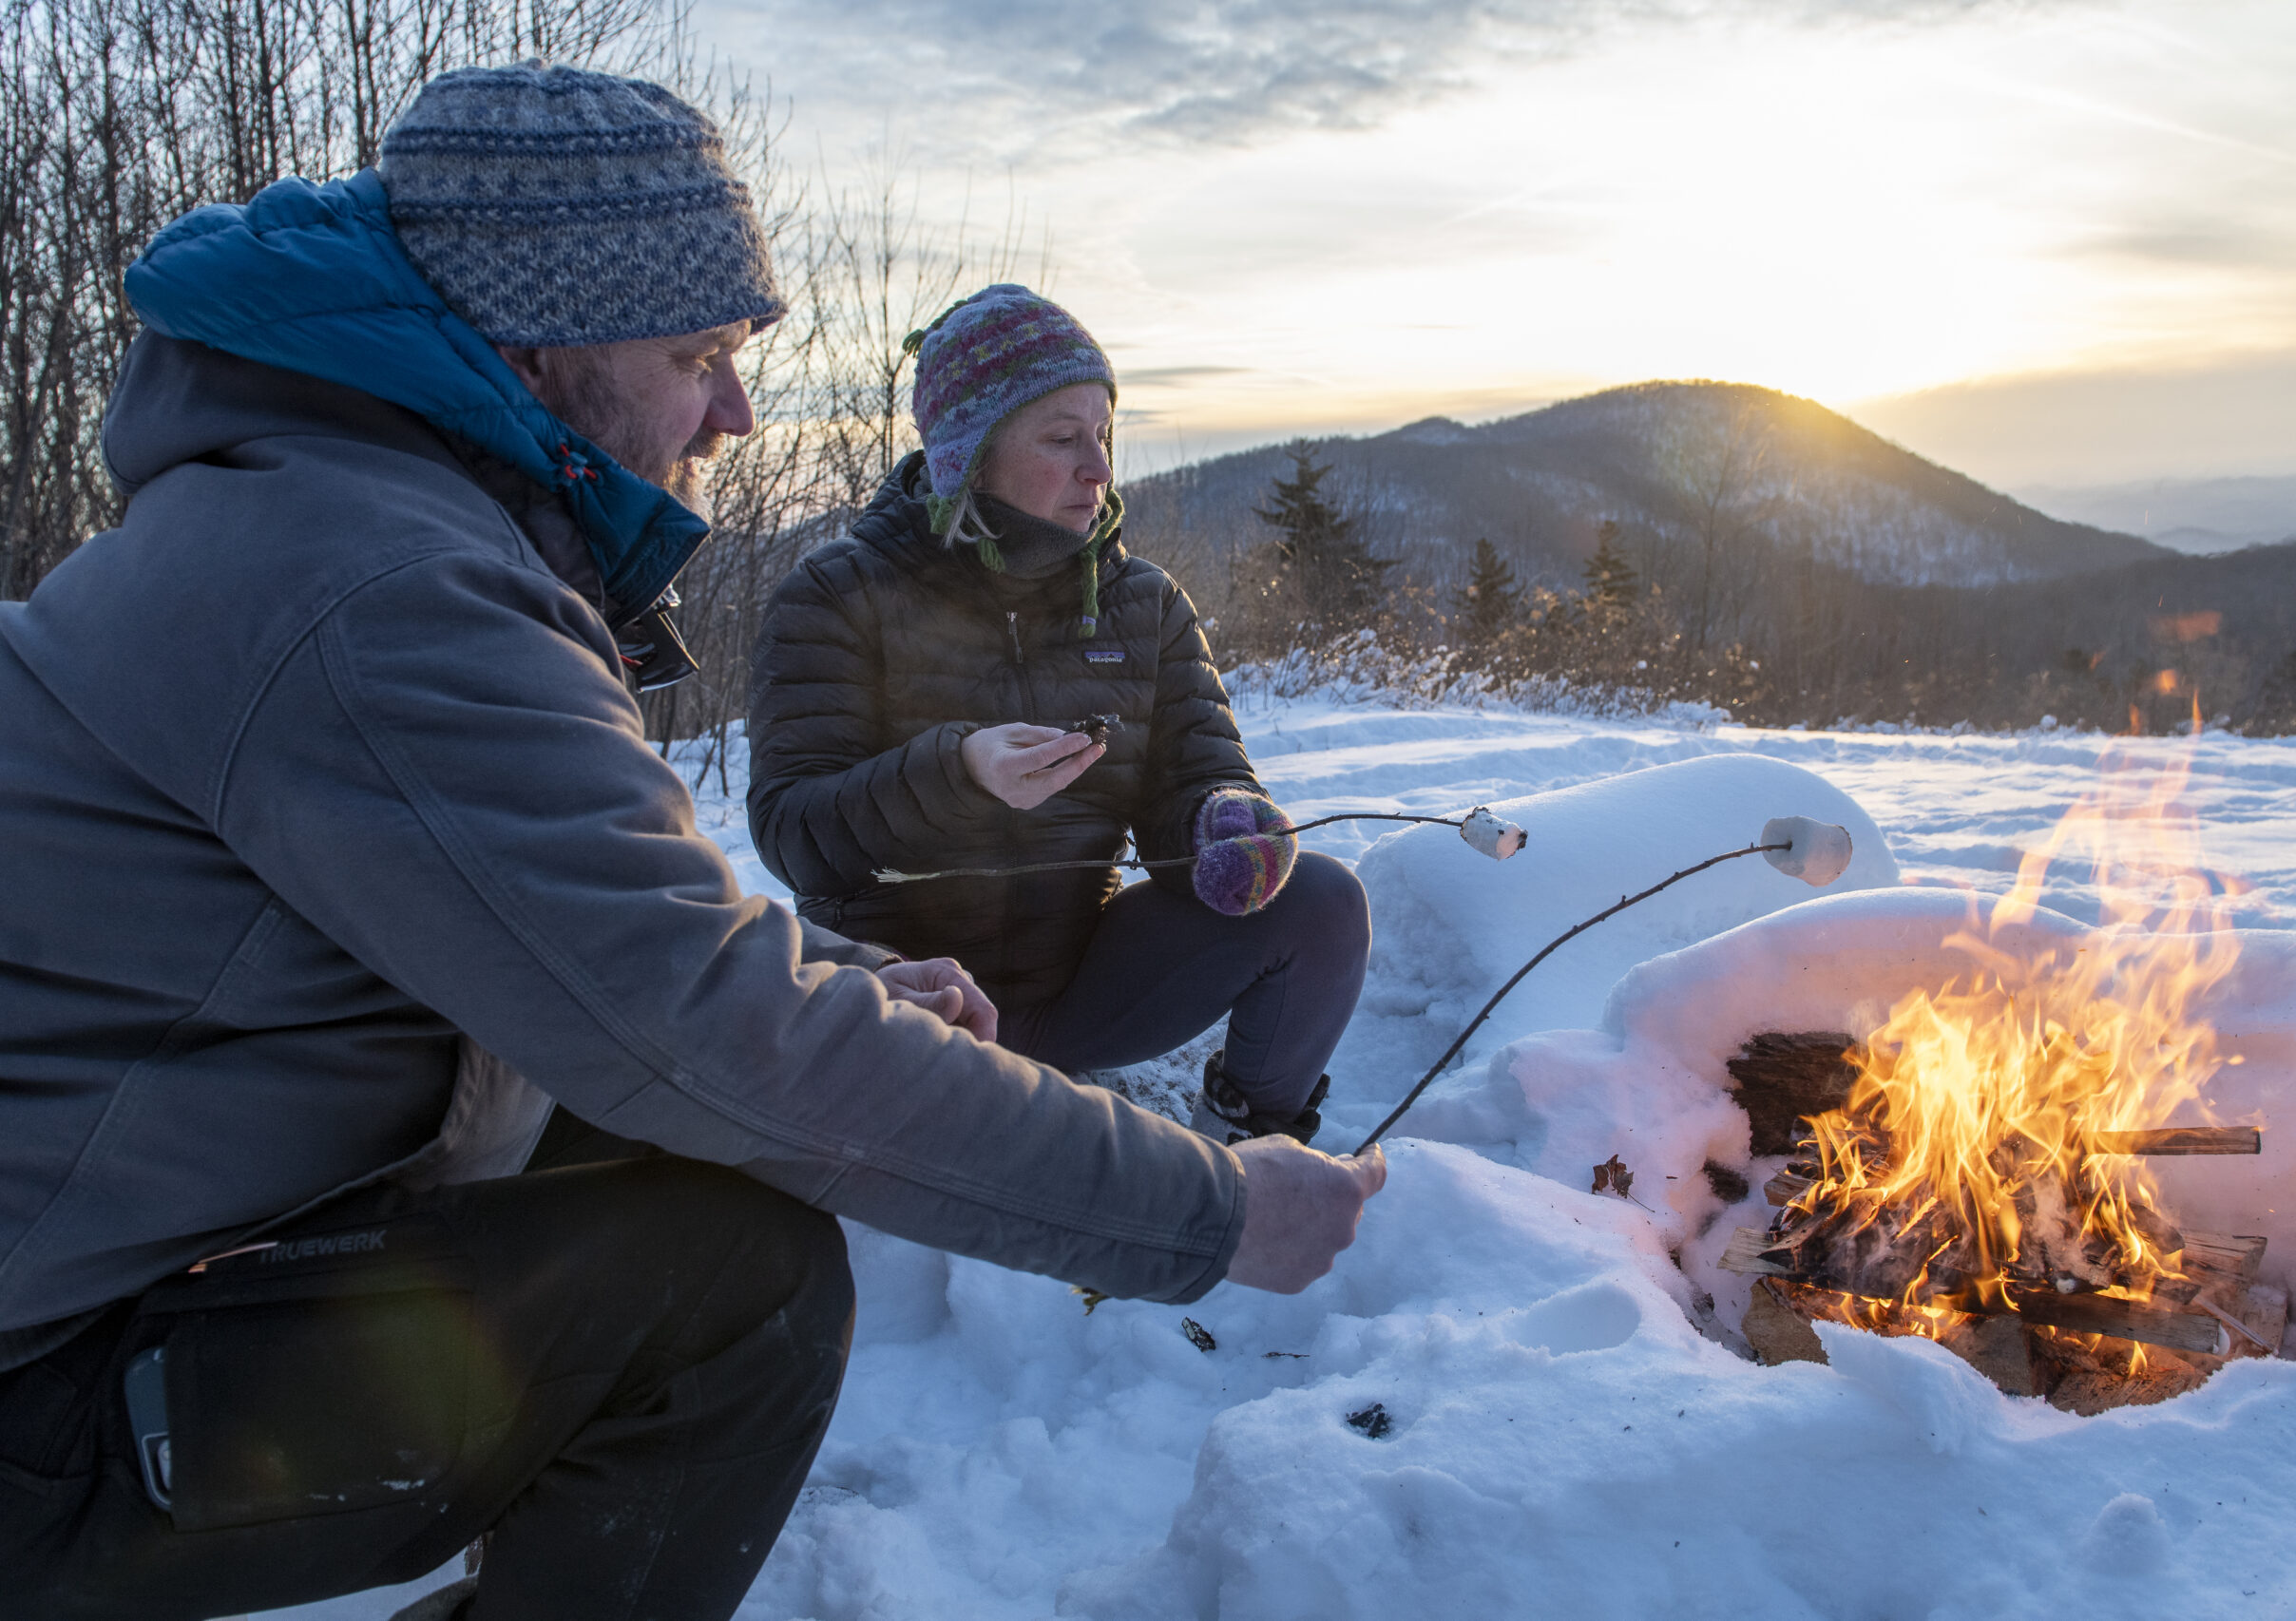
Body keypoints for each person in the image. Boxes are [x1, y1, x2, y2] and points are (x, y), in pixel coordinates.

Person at [0, 65, 1386, 1621]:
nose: (737, 409)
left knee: (688, 1145)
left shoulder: (348, 523)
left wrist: (898, 954)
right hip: (44, 1376)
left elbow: (592, 932)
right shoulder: (384, 588)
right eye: (699, 354)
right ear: (533, 344)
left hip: (133, 1254)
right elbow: (713, 986)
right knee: (731, 1282)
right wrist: (1201, 1211)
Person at [748, 285, 1370, 1145]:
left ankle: (1250, 1145)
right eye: (1062, 438)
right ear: (969, 453)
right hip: (911, 1001)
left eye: (1104, 436)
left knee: (1322, 900)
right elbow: (791, 833)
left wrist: (1222, 819)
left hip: (1076, 992)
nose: (1100, 469)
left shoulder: (1144, 605)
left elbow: (1192, 775)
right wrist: (957, 774)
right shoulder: (835, 595)